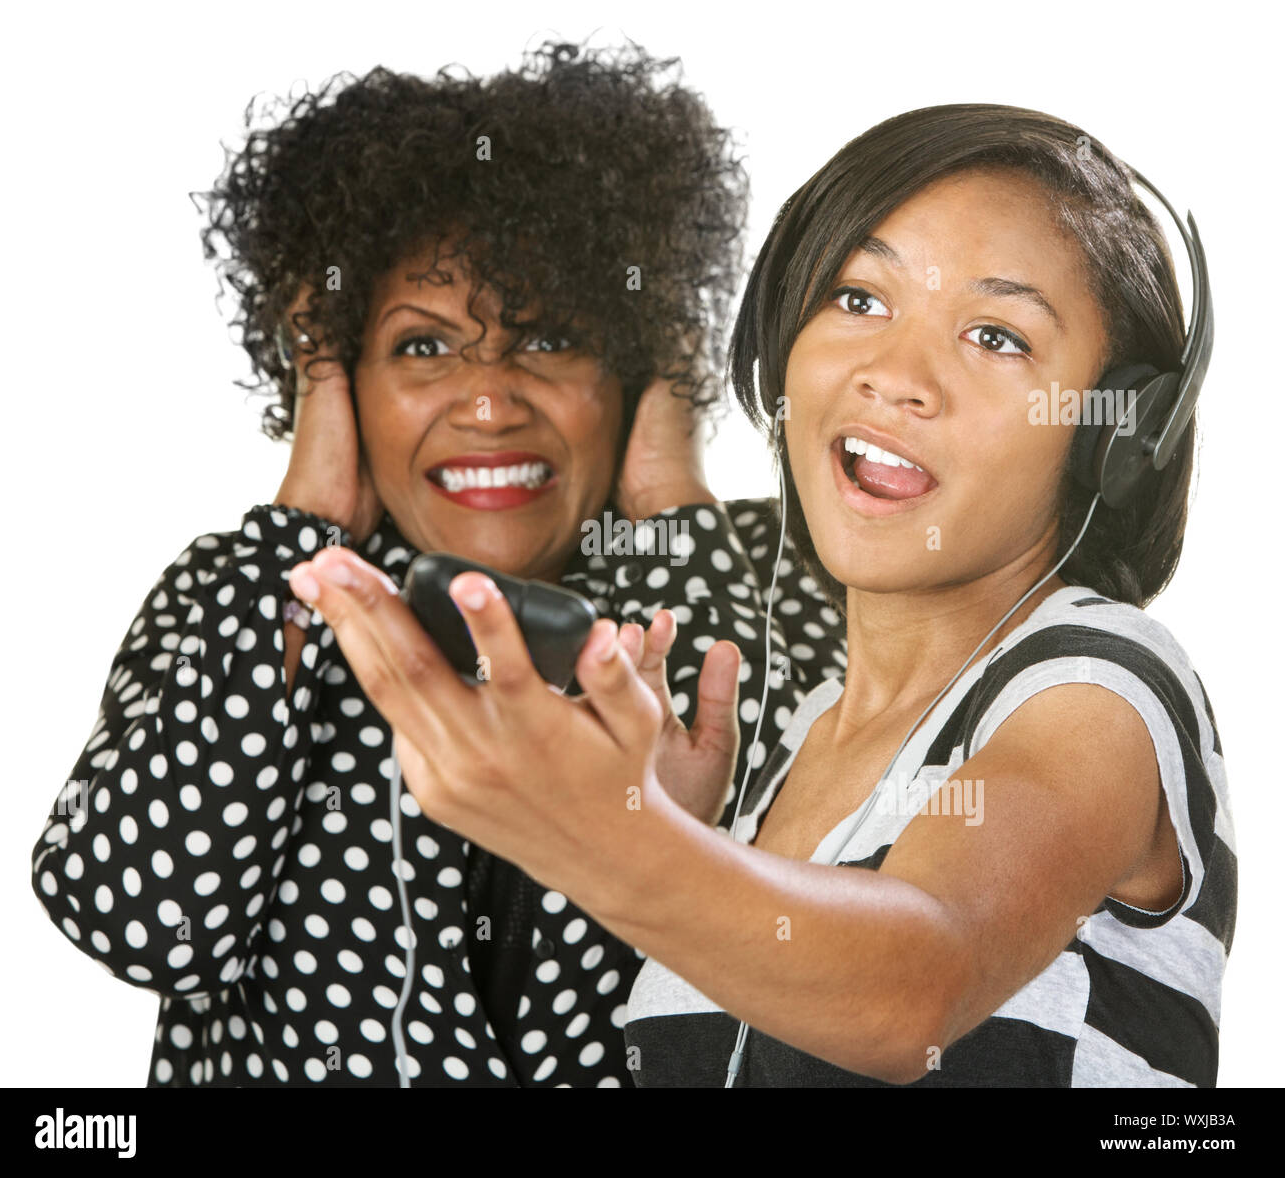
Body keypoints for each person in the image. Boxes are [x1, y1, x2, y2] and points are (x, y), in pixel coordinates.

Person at [293, 103, 1234, 1087]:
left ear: (1114, 435)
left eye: (995, 334)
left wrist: (615, 844)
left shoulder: (1100, 688)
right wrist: (672, 827)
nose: (893, 375)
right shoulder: (793, 739)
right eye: (860, 299)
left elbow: (916, 983)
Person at [29, 42, 847, 1087]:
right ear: (337, 376)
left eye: (548, 338)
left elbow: (822, 905)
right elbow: (142, 920)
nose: (491, 400)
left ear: (639, 367)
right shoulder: (242, 592)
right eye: (421, 346)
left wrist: (667, 520)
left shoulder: (787, 569)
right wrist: (306, 524)